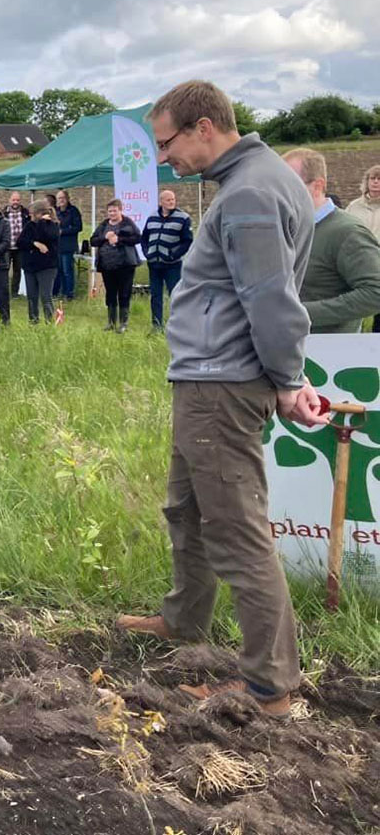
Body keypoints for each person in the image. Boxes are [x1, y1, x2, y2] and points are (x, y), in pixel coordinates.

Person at [117, 79, 329, 718]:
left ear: (205, 126)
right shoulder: (262, 179)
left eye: (167, 142)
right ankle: (185, 619)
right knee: (187, 507)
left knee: (235, 528)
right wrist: (287, 375)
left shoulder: (251, 193)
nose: (162, 158)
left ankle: (269, 685)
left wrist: (288, 379)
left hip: (221, 382)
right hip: (210, 377)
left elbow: (270, 297)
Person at [283, 148, 380, 333]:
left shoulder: (347, 232)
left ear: (318, 186)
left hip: (328, 354)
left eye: (289, 185)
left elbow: (376, 292)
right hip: (286, 349)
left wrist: (301, 313)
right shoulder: (288, 229)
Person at [141, 189, 194, 330]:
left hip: (172, 264)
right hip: (154, 263)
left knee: (175, 295)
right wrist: (148, 253)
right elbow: (144, 237)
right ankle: (156, 325)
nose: (171, 202)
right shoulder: (152, 217)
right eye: (168, 200)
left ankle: (179, 325)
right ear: (161, 202)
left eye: (173, 199)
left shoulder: (183, 218)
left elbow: (187, 241)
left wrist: (173, 254)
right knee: (155, 296)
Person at [90, 199, 141, 333]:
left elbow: (137, 238)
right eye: (110, 211)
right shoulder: (104, 225)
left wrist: (119, 240)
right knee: (111, 294)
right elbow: (93, 241)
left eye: (114, 211)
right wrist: (105, 238)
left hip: (125, 265)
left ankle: (123, 323)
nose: (112, 213)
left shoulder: (127, 223)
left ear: (120, 210)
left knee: (124, 293)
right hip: (107, 266)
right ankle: (111, 322)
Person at [346, 164, 380, 333]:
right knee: (355, 304)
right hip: (358, 262)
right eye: (372, 178)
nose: (375, 182)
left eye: (379, 179)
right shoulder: (354, 206)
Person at [18, 201, 59, 324]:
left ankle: (49, 321)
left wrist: (42, 222)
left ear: (39, 213)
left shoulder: (52, 225)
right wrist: (34, 244)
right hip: (30, 267)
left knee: (45, 296)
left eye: (32, 214)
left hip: (47, 266)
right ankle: (33, 321)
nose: (30, 217)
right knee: (32, 297)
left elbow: (45, 236)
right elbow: (21, 242)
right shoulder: (30, 225)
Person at [52, 189, 83, 299]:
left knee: (67, 271)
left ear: (67, 198)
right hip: (57, 246)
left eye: (62, 198)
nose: (61, 200)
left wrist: (63, 231)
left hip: (68, 246)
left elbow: (79, 227)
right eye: (59, 198)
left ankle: (69, 294)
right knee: (57, 271)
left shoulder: (73, 211)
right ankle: (56, 293)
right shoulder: (55, 211)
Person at [4, 191, 29, 297]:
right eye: (14, 200)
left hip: (20, 247)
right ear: (10, 200)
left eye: (17, 200)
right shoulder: (4, 213)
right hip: (7, 246)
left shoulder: (25, 213)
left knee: (17, 270)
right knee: (5, 269)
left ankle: (15, 292)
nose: (15, 202)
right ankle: (4, 291)